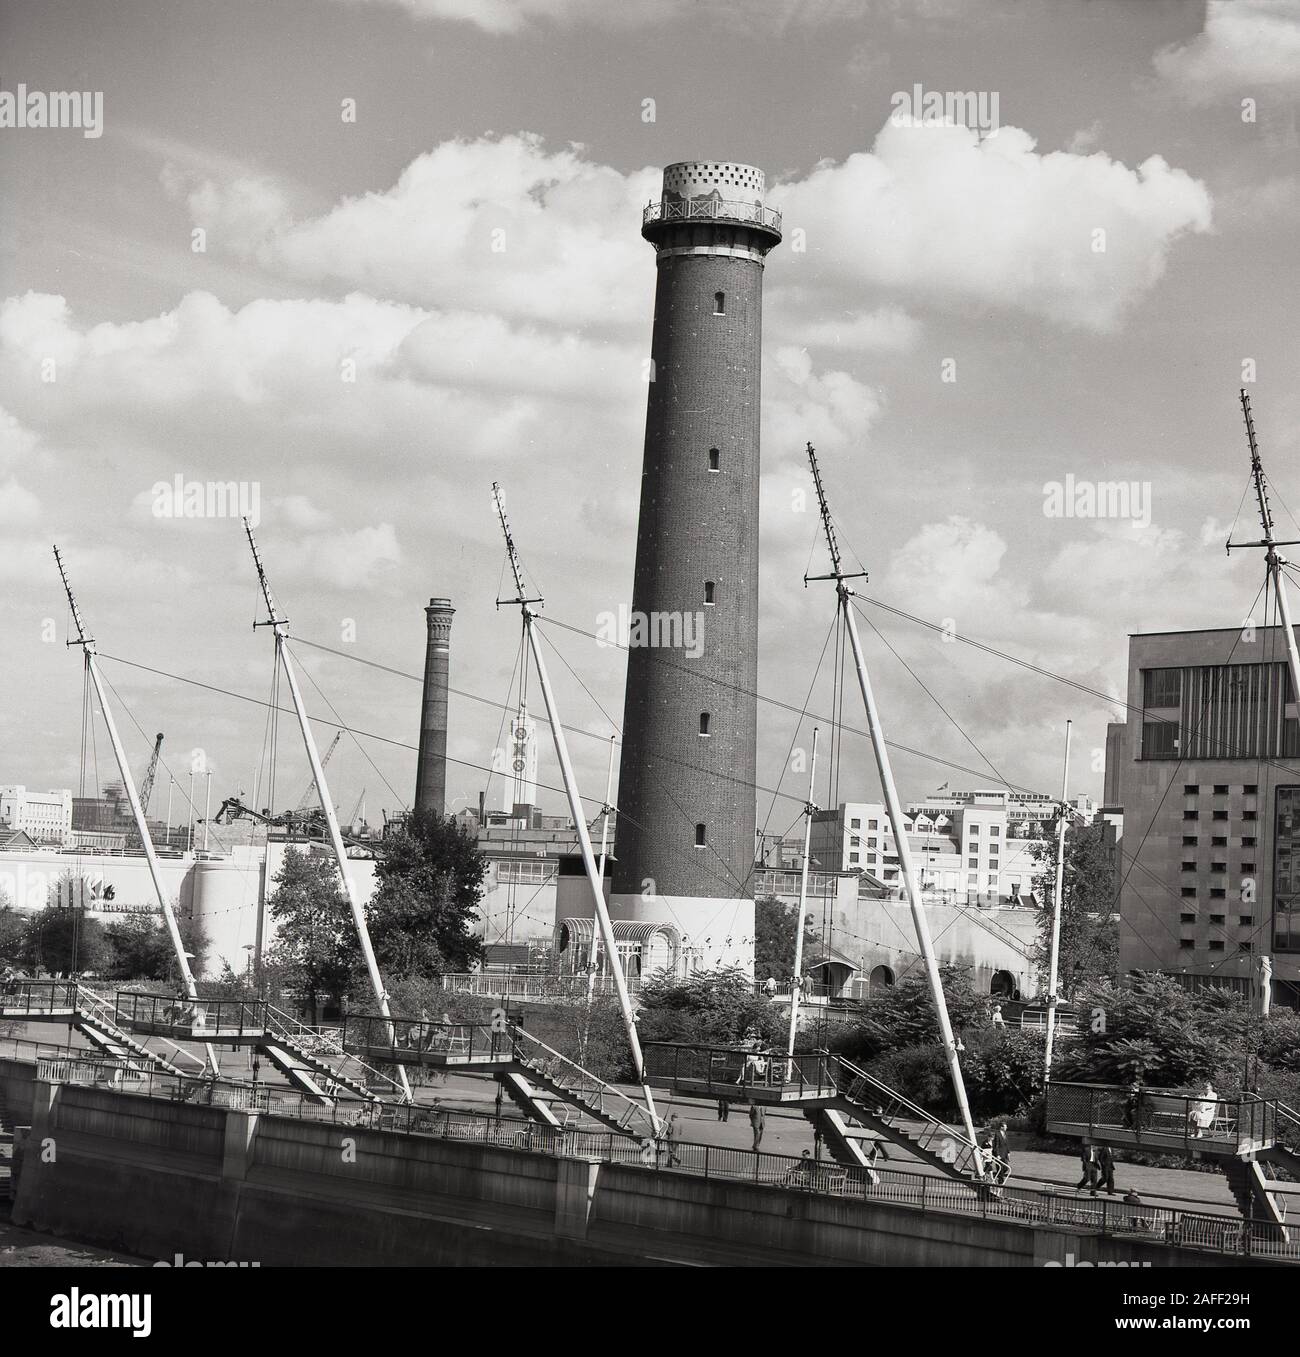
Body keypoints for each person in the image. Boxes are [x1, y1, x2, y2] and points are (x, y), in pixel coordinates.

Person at [991, 1120, 1011, 1185]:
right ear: (1001, 1127)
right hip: (999, 1154)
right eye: (1005, 1126)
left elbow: (1006, 1144)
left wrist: (1008, 1152)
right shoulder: (997, 1134)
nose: (1006, 1127)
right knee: (1000, 1168)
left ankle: (998, 1176)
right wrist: (997, 1155)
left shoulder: (1005, 1134)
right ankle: (1001, 1183)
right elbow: (996, 1145)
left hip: (1004, 1154)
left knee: (1006, 1167)